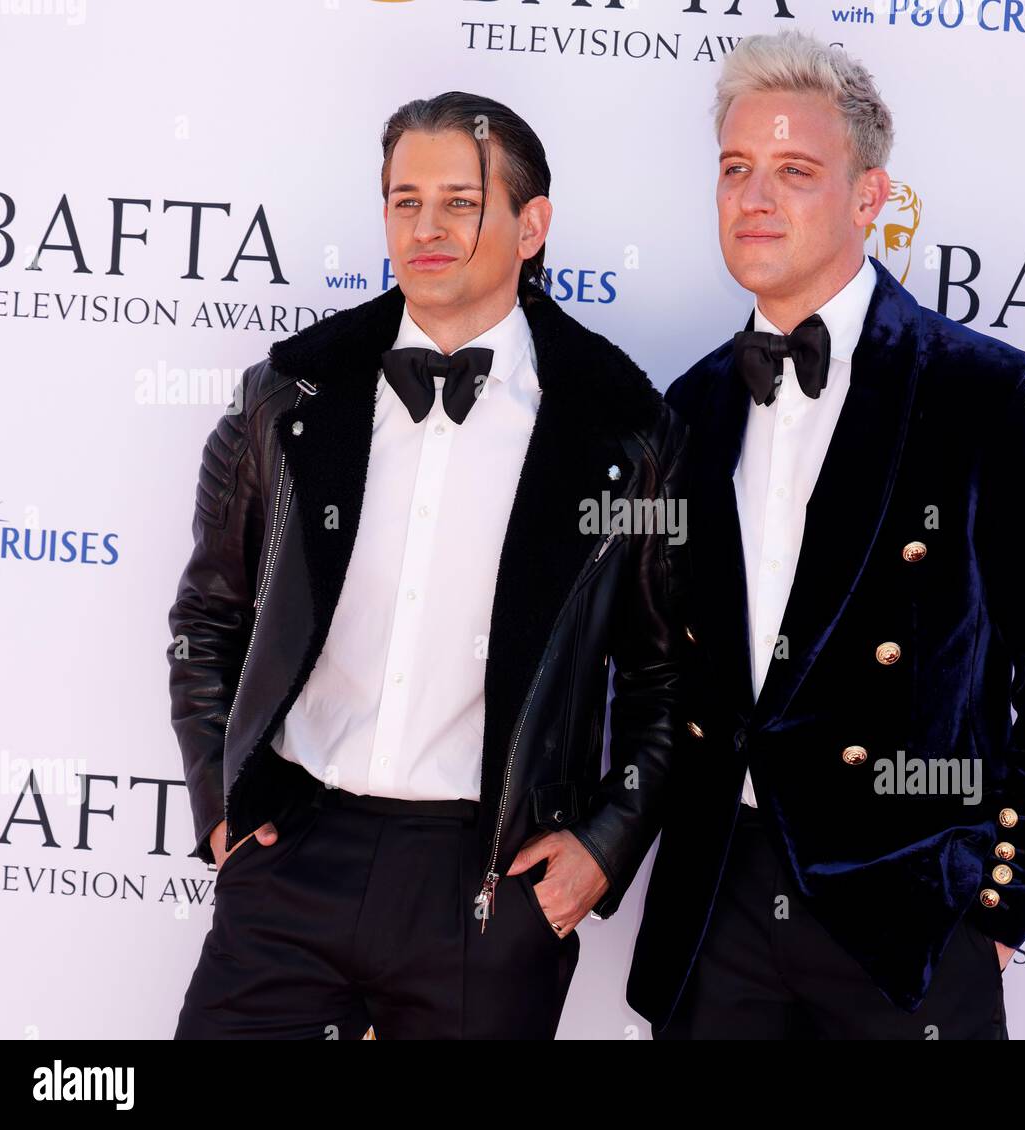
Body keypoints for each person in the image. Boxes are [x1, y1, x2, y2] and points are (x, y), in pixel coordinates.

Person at [627, 30, 1025, 1039]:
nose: (754, 198)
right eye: (736, 170)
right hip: (717, 900)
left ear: (868, 197)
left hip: (904, 915)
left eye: (794, 172)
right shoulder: (692, 406)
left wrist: (1003, 896)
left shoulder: (983, 395)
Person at [168, 91, 688, 1039]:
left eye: (461, 201)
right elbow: (207, 617)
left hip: (488, 886)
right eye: (406, 201)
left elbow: (667, 678)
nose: (427, 228)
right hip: (290, 856)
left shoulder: (624, 430)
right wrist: (220, 800)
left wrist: (604, 847)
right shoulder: (288, 396)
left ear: (532, 226)